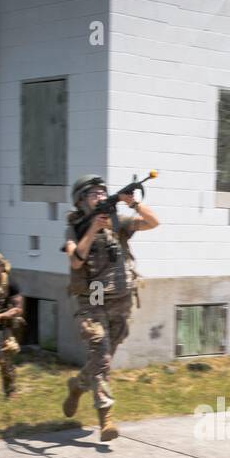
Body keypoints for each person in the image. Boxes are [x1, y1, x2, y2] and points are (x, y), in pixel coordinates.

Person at [62, 174, 159, 441]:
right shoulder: (75, 228)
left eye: (103, 193)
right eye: (93, 194)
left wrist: (134, 204)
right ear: (81, 201)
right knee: (101, 354)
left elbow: (153, 223)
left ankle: (77, 386)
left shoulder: (119, 222)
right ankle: (106, 419)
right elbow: (75, 262)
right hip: (92, 298)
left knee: (101, 359)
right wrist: (93, 228)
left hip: (121, 297)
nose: (101, 197)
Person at [0, 250, 25, 397]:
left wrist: (1, 316)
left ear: (3, 267)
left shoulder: (10, 283)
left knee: (5, 357)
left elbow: (18, 309)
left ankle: (10, 390)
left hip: (3, 324)